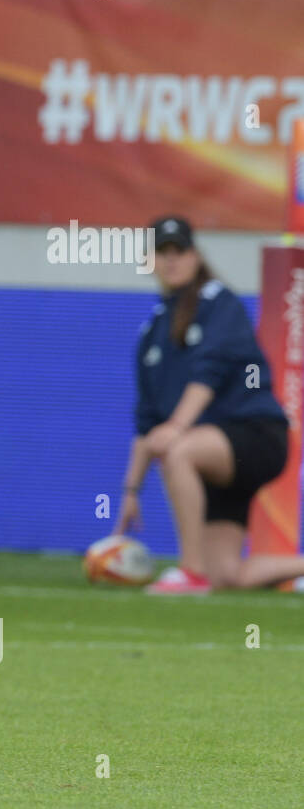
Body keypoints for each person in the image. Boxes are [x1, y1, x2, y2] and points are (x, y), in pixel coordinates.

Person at [117, 216, 302, 595]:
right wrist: (130, 492)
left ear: (196, 255)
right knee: (228, 575)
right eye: (161, 252)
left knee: (178, 451)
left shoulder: (219, 302)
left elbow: (210, 373)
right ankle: (220, 573)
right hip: (214, 457)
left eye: (179, 251)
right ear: (148, 260)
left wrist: (177, 429)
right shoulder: (152, 332)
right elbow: (147, 424)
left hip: (257, 435)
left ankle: (191, 573)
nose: (172, 260)